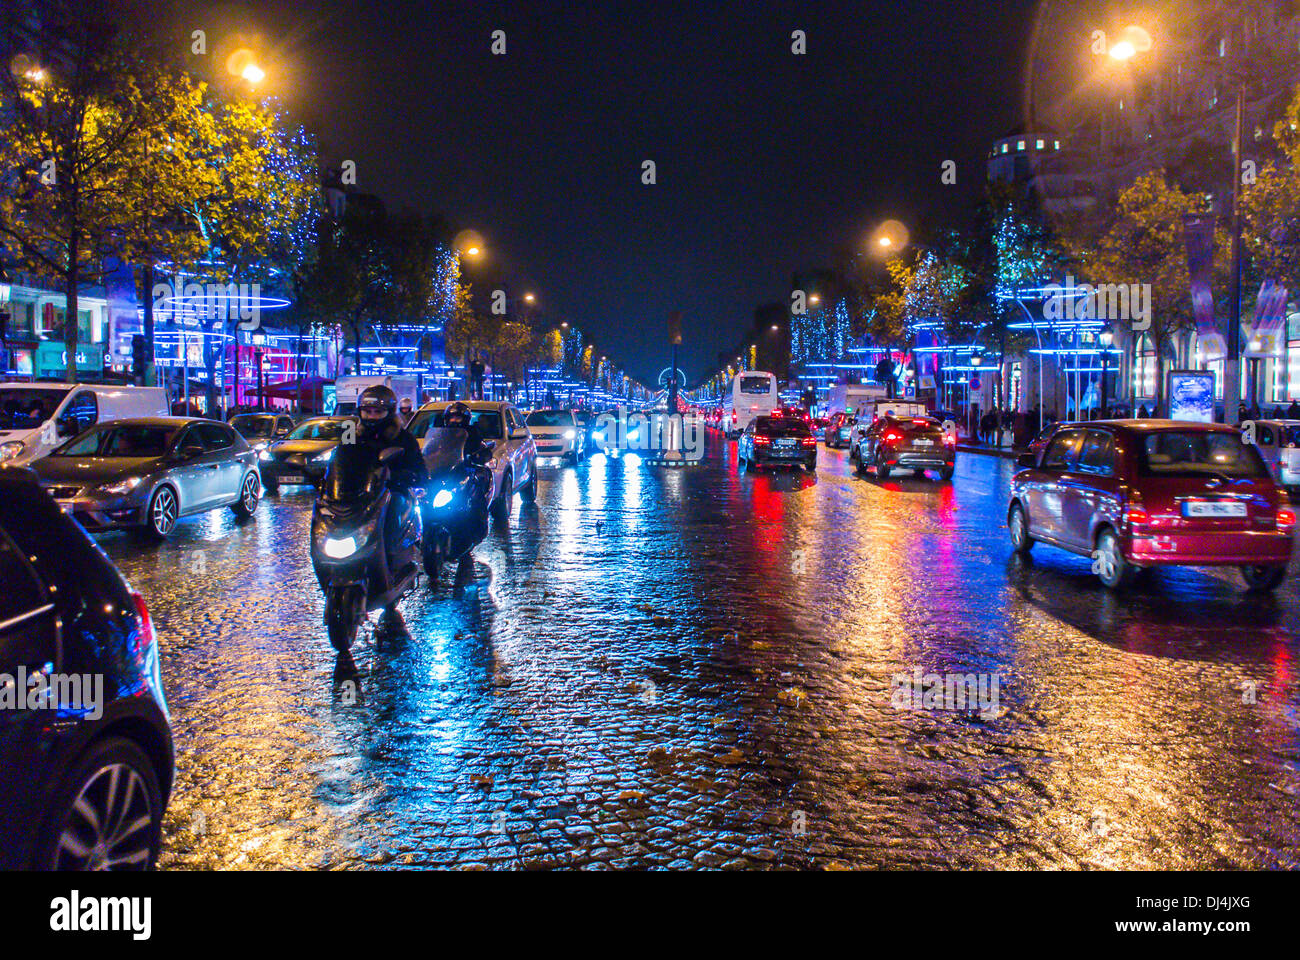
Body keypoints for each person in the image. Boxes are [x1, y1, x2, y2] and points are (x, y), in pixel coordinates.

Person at [355, 385, 426, 629]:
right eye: (368, 411)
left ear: (389, 411)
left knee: (391, 522)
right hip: (357, 496)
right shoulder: (349, 432)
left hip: (390, 494)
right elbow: (341, 457)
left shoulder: (403, 437)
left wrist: (406, 477)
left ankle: (390, 565)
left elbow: (419, 469)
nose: (372, 417)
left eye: (377, 412)